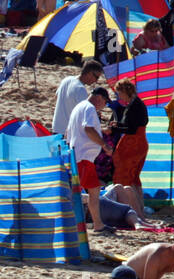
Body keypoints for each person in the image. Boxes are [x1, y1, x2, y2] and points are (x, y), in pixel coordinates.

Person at [66, 86, 114, 236]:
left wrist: (102, 131)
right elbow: (88, 129)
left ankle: (97, 224)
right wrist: (104, 144)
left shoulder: (79, 107)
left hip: (79, 156)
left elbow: (71, 132)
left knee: (90, 191)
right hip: (83, 157)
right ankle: (91, 225)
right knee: (83, 192)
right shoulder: (89, 108)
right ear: (100, 98)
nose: (104, 106)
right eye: (105, 103)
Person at [110, 79, 149, 213]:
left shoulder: (134, 105)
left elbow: (131, 129)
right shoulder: (136, 104)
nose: (118, 97)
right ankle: (140, 209)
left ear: (125, 91)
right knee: (134, 178)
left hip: (134, 145)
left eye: (119, 93)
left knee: (125, 176)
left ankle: (132, 209)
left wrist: (115, 129)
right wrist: (118, 126)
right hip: (140, 143)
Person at [51, 59, 103, 136]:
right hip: (67, 132)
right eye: (96, 77)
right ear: (89, 74)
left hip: (56, 127)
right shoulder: (80, 89)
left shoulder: (66, 80)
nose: (96, 81)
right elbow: (84, 114)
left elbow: (56, 97)